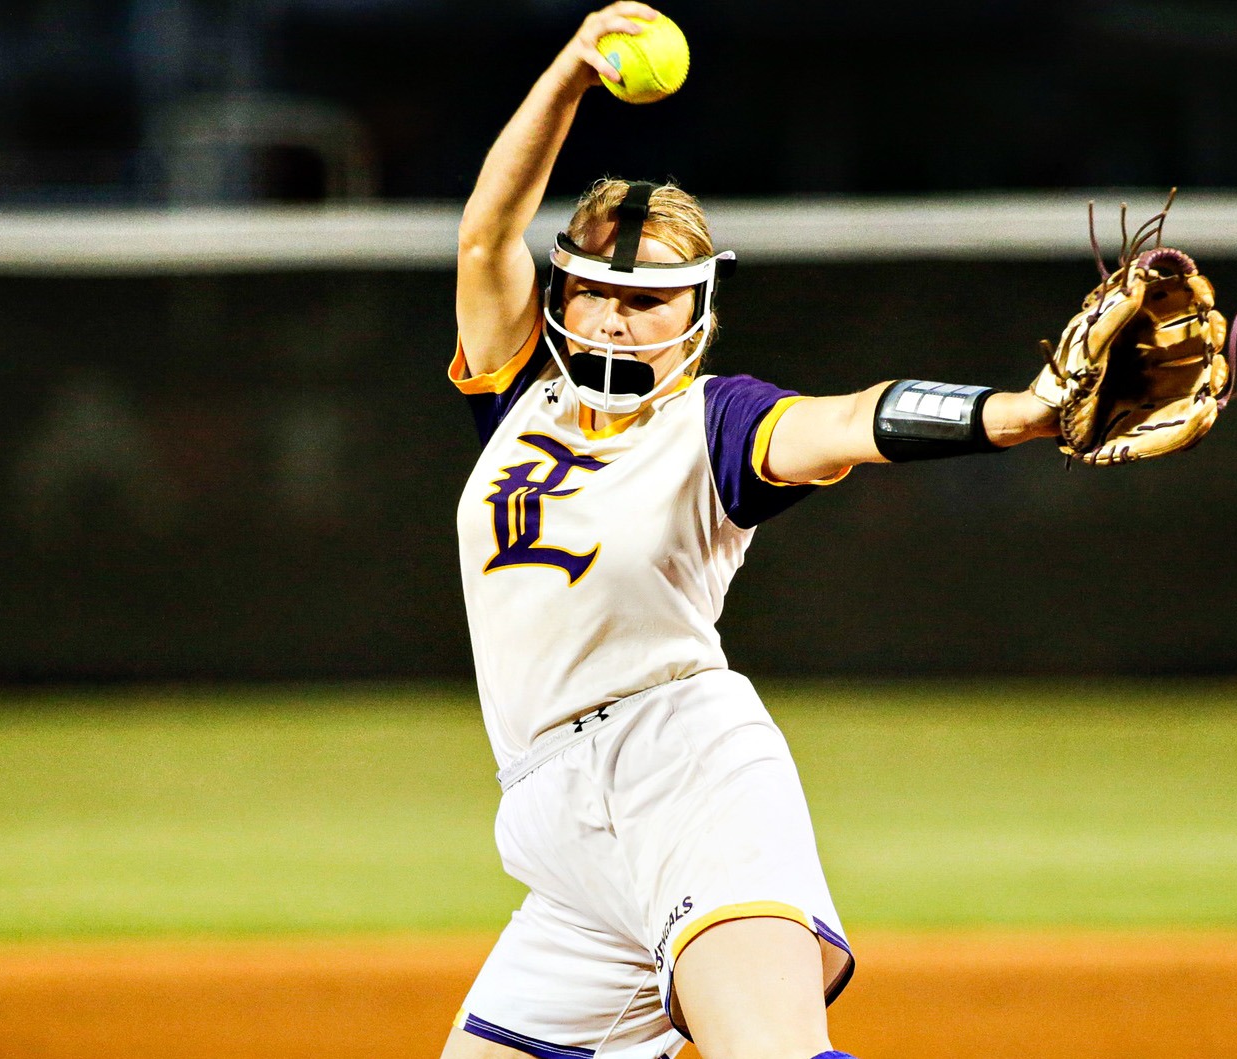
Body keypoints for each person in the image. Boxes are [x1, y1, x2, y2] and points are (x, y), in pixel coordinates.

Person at [441, 6, 1060, 1059]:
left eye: (645, 300)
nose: (611, 318)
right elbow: (487, 234)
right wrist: (570, 73)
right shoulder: (516, 401)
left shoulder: (712, 423)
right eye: (593, 292)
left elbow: (845, 424)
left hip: (683, 777)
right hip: (558, 832)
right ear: (561, 295)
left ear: (695, 310)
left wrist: (1015, 413)